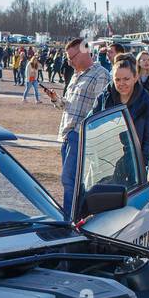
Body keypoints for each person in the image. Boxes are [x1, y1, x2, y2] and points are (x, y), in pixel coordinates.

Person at [45, 37, 109, 217]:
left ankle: (70, 218)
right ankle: (73, 215)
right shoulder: (75, 75)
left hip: (80, 134)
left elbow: (100, 108)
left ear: (83, 53)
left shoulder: (100, 74)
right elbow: (68, 105)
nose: (69, 62)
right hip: (67, 134)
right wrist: (55, 99)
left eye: (71, 57)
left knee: (70, 180)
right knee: (70, 181)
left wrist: (85, 131)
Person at [90, 55, 149, 170]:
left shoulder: (146, 102)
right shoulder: (104, 97)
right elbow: (91, 123)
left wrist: (142, 165)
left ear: (135, 78)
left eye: (126, 79)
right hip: (104, 157)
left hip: (134, 162)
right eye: (117, 79)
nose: (121, 83)